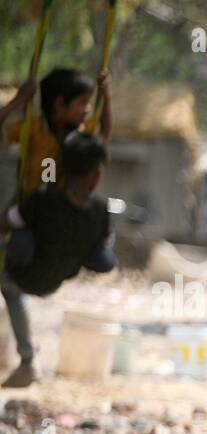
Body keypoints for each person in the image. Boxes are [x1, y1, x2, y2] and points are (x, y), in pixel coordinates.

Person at [0, 68, 113, 387]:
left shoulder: (82, 135)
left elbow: (103, 138)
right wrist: (19, 101)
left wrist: (108, 97)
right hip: (33, 211)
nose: (88, 110)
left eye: (90, 104)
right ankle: (26, 358)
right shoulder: (33, 130)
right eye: (82, 104)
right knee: (14, 262)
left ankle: (26, 356)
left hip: (56, 217)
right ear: (59, 106)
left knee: (16, 271)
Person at [0, 132, 116, 328]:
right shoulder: (100, 209)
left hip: (22, 276)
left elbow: (6, 223)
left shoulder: (45, 198)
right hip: (56, 280)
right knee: (104, 255)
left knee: (17, 235)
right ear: (97, 175)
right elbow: (103, 251)